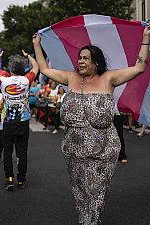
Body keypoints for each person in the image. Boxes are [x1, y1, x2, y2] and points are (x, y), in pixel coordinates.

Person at [33, 23, 150, 224]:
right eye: (79, 58)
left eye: (86, 58)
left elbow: (139, 67)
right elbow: (43, 68)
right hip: (73, 149)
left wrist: (146, 38)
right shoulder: (70, 78)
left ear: (96, 62)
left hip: (103, 150)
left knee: (95, 191)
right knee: (80, 191)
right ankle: (85, 219)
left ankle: (90, 222)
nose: (80, 61)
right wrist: (37, 44)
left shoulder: (109, 78)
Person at [0, 50, 39, 191]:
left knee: (7, 151)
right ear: (23, 68)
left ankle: (9, 179)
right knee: (22, 152)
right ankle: (21, 180)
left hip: (7, 122)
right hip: (23, 122)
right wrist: (29, 56)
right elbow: (36, 67)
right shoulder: (26, 80)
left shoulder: (3, 80)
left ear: (10, 69)